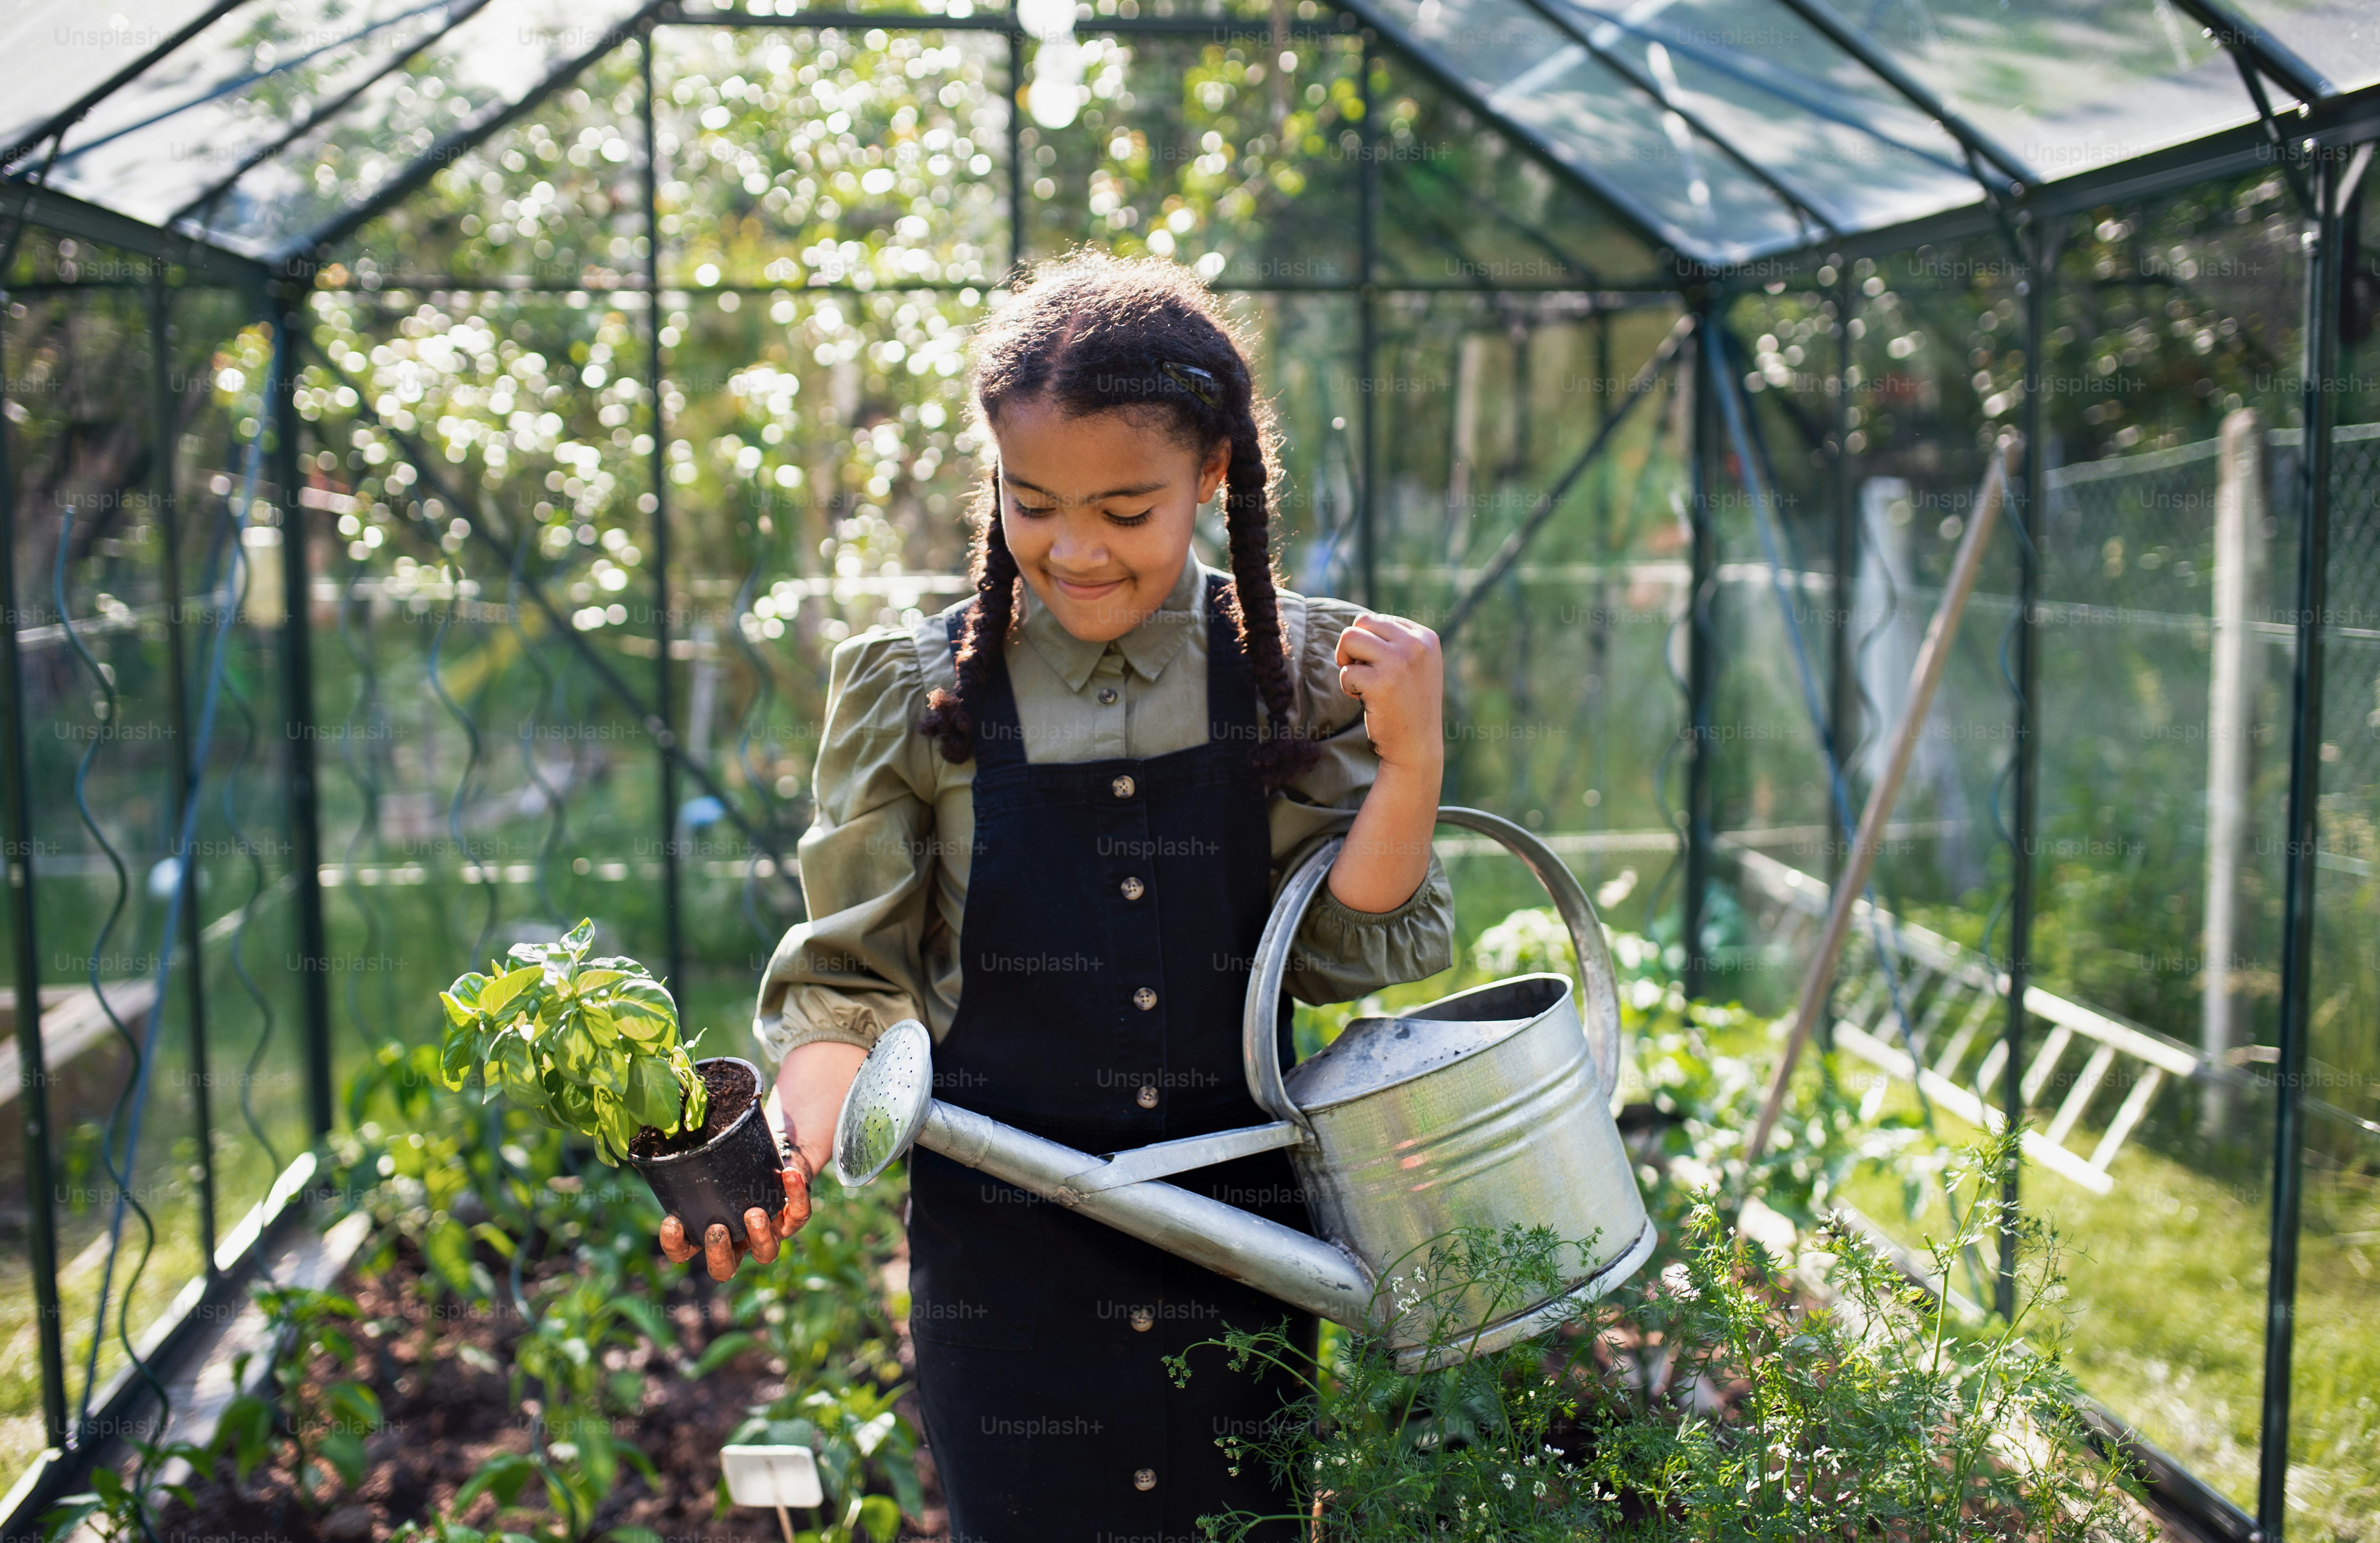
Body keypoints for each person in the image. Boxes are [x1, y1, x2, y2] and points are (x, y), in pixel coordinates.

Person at [660, 251, 1455, 1541]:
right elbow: (852, 980)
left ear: (1210, 476)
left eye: (1126, 511)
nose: (1074, 550)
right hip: (1004, 1257)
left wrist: (1409, 758)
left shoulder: (1292, 667)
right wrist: (793, 1143)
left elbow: (1334, 948)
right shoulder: (915, 686)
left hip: (1235, 1237)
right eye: (1031, 505)